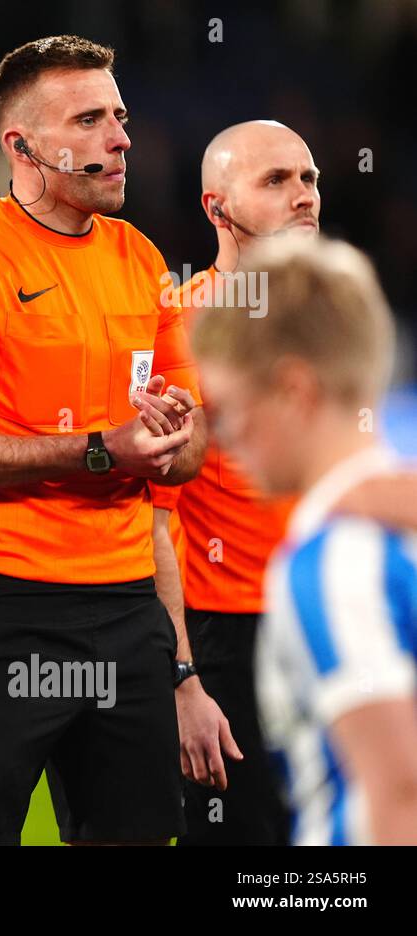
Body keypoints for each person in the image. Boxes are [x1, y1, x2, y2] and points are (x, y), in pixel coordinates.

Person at [0, 35, 208, 845]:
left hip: (128, 608)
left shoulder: (141, 261)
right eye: (91, 120)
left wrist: (172, 439)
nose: (122, 138)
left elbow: (191, 448)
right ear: (21, 145)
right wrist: (101, 451)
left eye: (121, 117)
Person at [191, 237, 417, 845]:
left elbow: (400, 796)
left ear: (294, 392)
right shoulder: (393, 527)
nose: (226, 439)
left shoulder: (334, 562)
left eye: (234, 410)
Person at [150, 120, 320, 845]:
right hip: (230, 638)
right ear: (217, 208)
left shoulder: (335, 324)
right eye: (276, 181)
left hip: (320, 620)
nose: (303, 196)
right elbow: (154, 518)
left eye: (309, 178)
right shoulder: (182, 325)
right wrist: (184, 677)